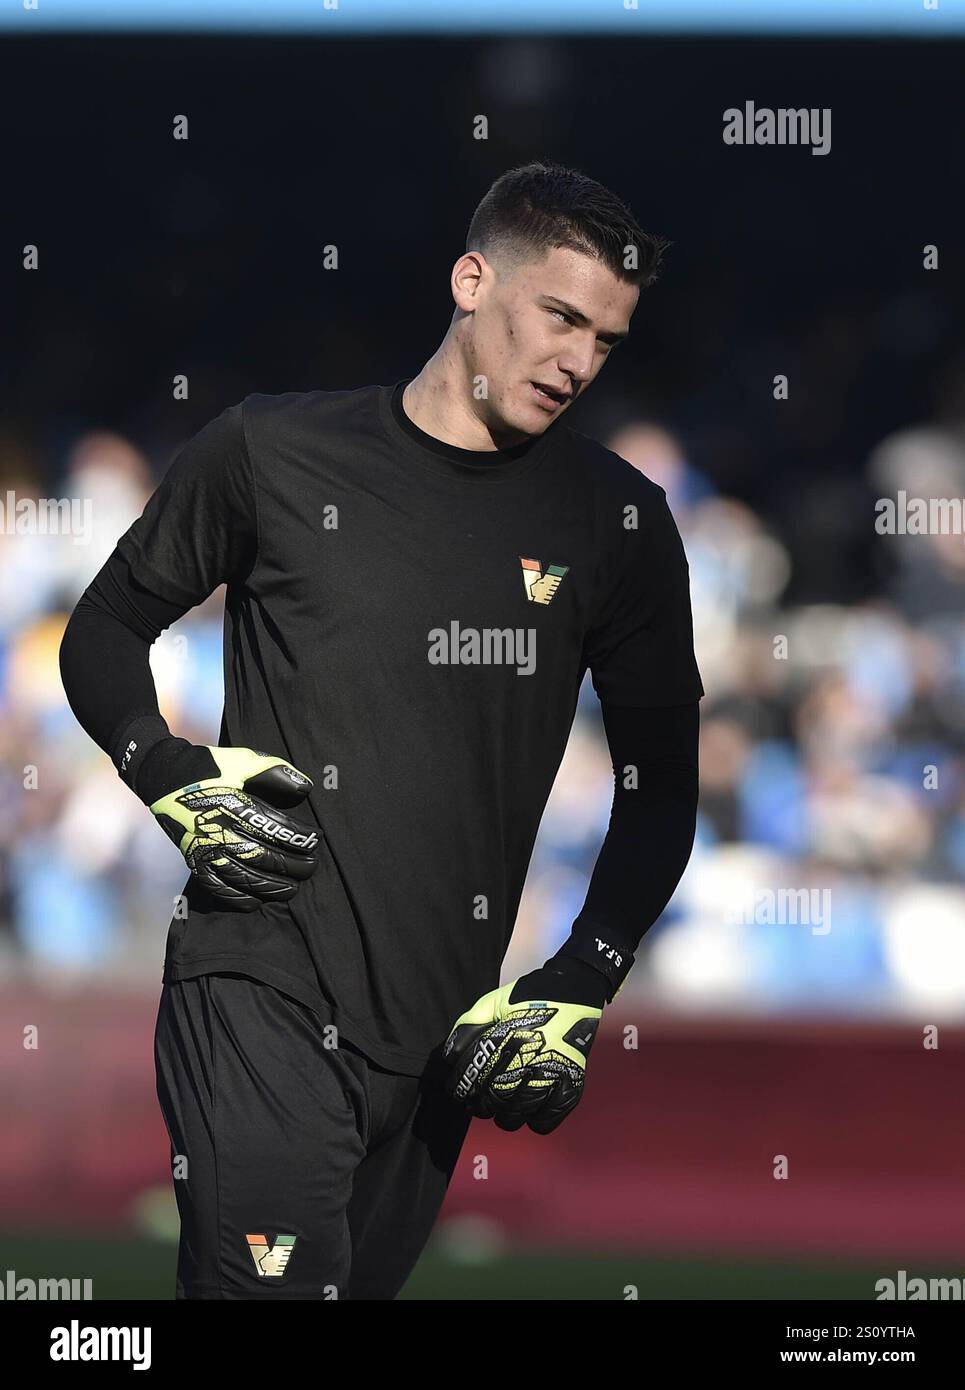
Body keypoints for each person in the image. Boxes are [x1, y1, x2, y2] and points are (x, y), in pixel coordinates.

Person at [59, 160, 703, 1300]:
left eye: (604, 339)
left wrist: (582, 977)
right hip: (251, 980)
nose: (575, 361)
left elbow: (661, 792)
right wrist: (161, 768)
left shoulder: (619, 524)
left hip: (442, 1041)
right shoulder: (267, 452)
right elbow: (105, 627)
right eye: (557, 315)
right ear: (469, 279)